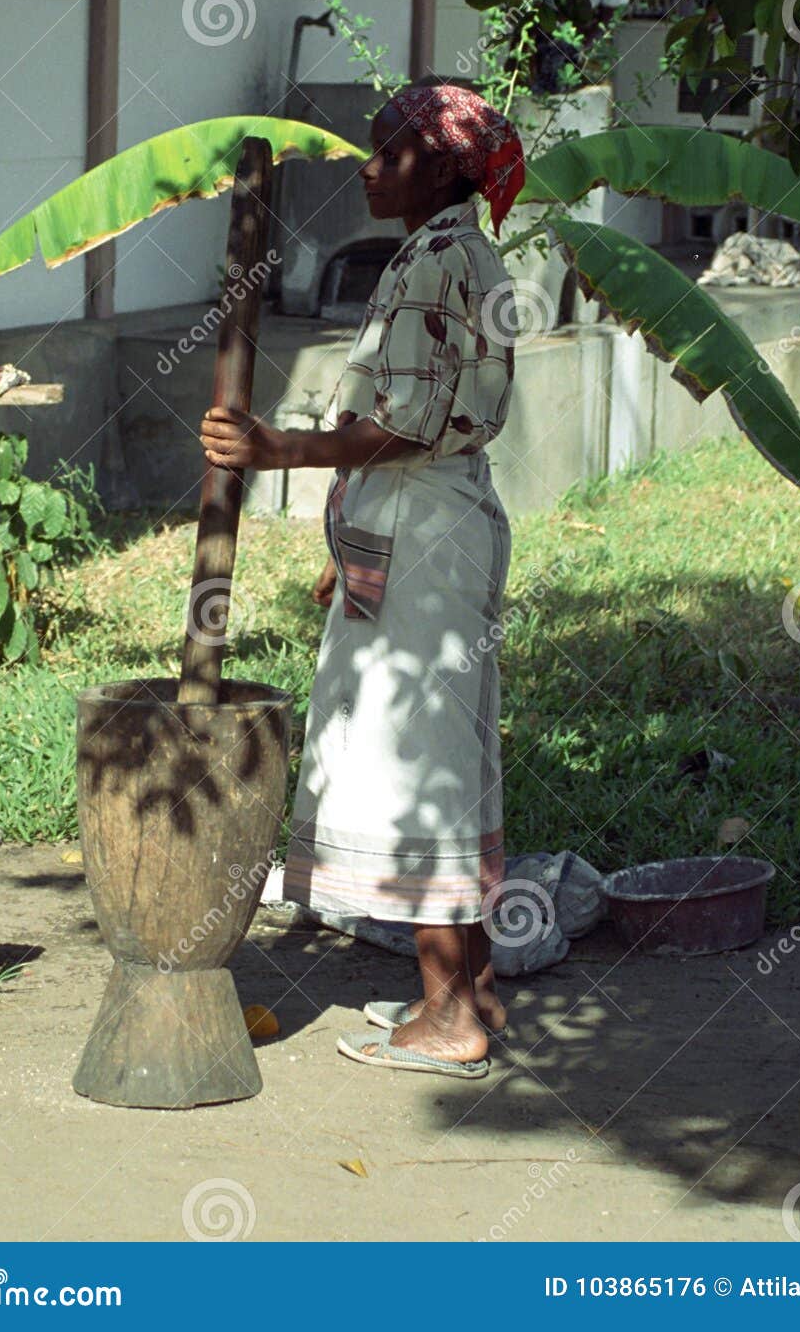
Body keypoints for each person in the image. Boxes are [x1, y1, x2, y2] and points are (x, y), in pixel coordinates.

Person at [199, 83, 523, 1079]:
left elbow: (412, 426)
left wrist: (274, 444)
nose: (367, 170)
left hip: (424, 533)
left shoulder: (435, 262)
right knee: (443, 749)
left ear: (440, 166)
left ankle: (446, 1019)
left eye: (386, 155)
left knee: (410, 762)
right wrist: (348, 555)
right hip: (424, 535)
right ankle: (468, 995)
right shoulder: (451, 253)